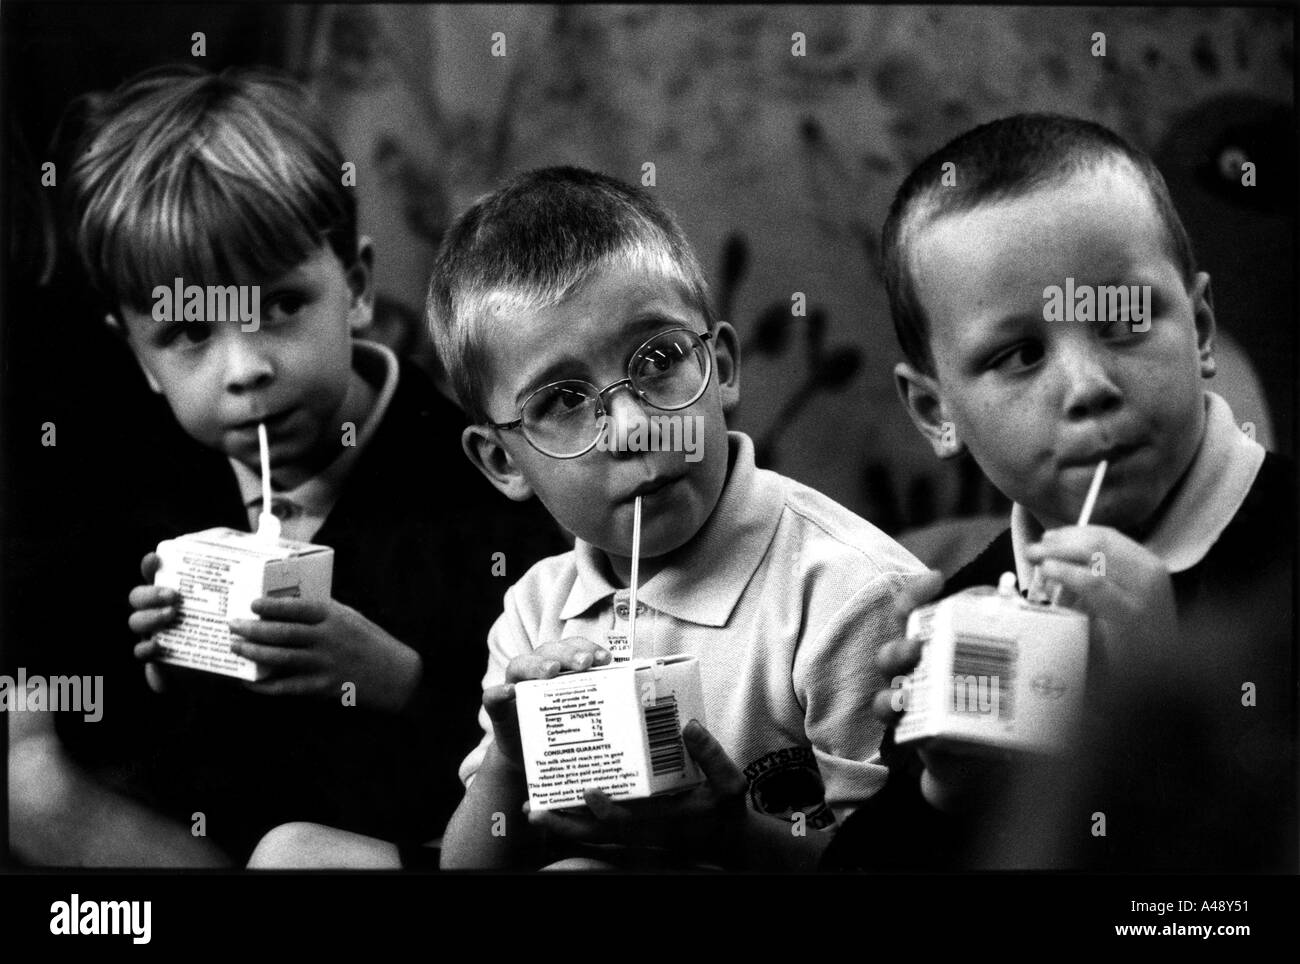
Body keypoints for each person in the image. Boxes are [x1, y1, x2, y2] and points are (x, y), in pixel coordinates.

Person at [8, 64, 563, 867]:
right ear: (138, 354)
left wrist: (396, 679)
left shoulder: (480, 487)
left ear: (359, 286)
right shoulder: (134, 486)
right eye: (190, 333)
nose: (245, 368)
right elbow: (119, 731)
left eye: (282, 307)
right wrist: (161, 676)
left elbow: (547, 761)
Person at [416, 166, 930, 871]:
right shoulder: (537, 613)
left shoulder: (850, 595)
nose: (634, 428)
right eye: (563, 401)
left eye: (657, 360)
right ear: (502, 463)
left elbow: (896, 863)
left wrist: (728, 836)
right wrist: (512, 758)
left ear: (719, 368)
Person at [822, 113, 1295, 871]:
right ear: (936, 412)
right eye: (1018, 355)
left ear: (1201, 329)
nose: (1088, 387)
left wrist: (1164, 710)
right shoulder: (964, 618)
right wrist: (948, 793)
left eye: (1125, 320)